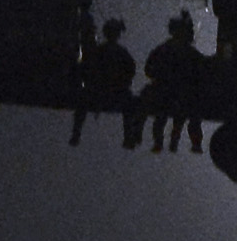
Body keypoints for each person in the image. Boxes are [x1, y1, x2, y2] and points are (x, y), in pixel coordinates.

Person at [141, 11, 209, 153]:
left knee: (167, 118)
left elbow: (149, 69)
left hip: (173, 94)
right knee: (173, 117)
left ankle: (164, 142)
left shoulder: (165, 50)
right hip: (174, 94)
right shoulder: (187, 53)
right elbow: (203, 71)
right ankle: (167, 142)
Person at [69, 17, 131, 145]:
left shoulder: (111, 52)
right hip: (102, 91)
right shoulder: (110, 52)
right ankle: (128, 137)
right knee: (83, 101)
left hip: (107, 92)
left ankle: (128, 136)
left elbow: (129, 72)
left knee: (129, 103)